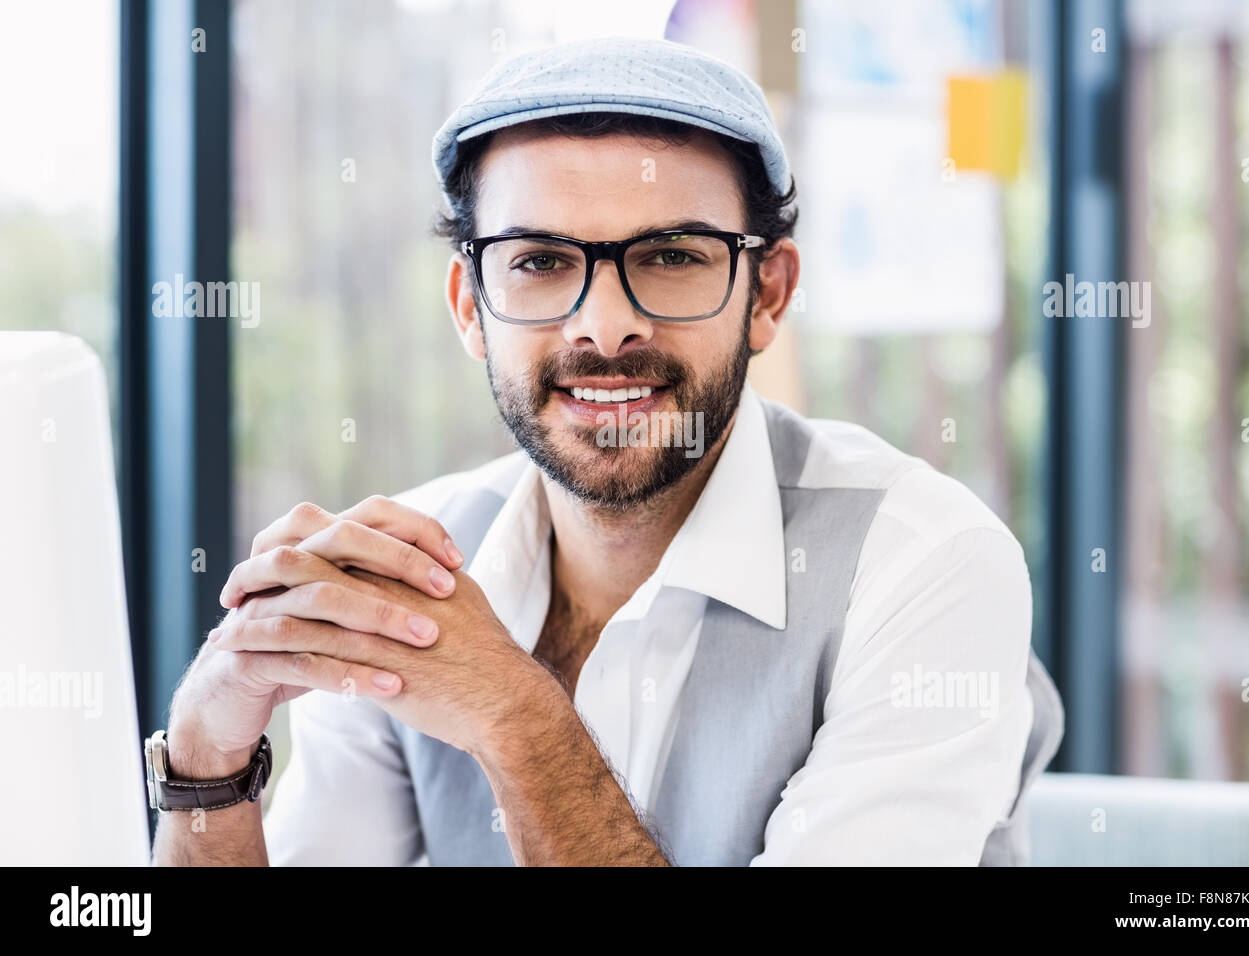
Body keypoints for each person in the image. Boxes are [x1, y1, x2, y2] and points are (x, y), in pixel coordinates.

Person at [151, 36, 1063, 867]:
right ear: (472, 307)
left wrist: (518, 718)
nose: (606, 326)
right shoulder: (411, 570)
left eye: (670, 255)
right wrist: (206, 764)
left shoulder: (924, 563)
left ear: (767, 295)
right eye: (540, 261)